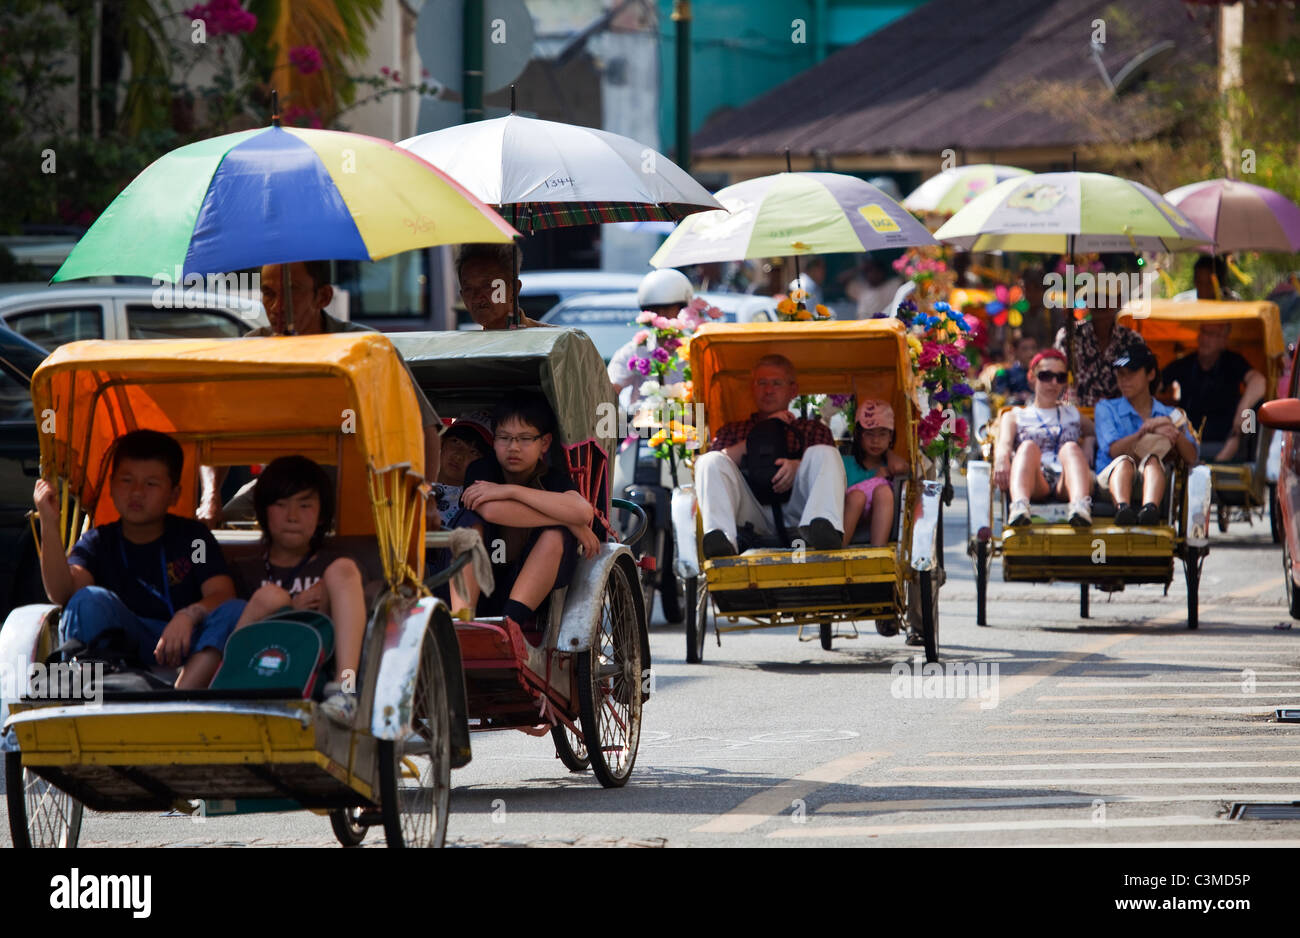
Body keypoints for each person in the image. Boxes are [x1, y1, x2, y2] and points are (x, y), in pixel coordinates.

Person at [198, 260, 444, 528]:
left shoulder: (368, 350)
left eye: (292, 291)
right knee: (219, 535)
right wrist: (209, 497)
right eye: (269, 293)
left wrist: (425, 494)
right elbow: (212, 430)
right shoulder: (250, 354)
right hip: (280, 491)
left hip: (361, 489)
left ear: (323, 296)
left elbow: (424, 430)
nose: (278, 306)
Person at [33, 430, 244, 689]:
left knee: (235, 611)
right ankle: (85, 693)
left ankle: (181, 697)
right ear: (111, 486)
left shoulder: (194, 540)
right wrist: (49, 525)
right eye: (127, 480)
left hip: (187, 647)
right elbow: (62, 592)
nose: (136, 493)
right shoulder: (99, 543)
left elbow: (221, 593)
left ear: (174, 494)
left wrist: (188, 616)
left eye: (151, 484)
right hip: (122, 654)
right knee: (86, 601)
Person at [449, 392, 603, 645]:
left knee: (555, 534)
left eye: (524, 439)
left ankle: (511, 626)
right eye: (504, 438)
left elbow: (583, 512)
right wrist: (566, 519)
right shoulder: (482, 469)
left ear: (544, 443)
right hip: (483, 577)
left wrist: (509, 490)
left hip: (533, 588)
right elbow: (489, 511)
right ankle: (462, 623)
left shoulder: (551, 478)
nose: (513, 448)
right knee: (469, 523)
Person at [229, 456, 366, 724]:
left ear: (322, 514)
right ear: (263, 511)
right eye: (281, 505)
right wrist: (291, 607)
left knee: (343, 570)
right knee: (269, 597)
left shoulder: (336, 567)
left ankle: (345, 690)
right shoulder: (242, 569)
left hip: (321, 675)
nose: (292, 516)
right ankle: (227, 685)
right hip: (255, 671)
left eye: (304, 505)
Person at [694, 354, 846, 557]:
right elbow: (716, 467)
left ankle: (824, 527)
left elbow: (828, 469)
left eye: (776, 383)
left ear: (793, 390)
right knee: (709, 460)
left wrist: (797, 466)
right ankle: (721, 538)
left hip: (799, 513)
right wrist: (763, 432)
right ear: (752, 388)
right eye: (762, 383)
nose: (768, 390)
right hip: (751, 515)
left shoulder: (810, 429)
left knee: (825, 452)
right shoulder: (733, 430)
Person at [1095, 344, 1198, 525]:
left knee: (1152, 461)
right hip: (1109, 479)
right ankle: (1122, 509)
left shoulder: (1171, 413)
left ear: (1150, 374)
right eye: (1120, 374)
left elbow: (1191, 457)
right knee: (1124, 462)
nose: (1124, 380)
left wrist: (1172, 430)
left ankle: (1150, 510)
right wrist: (1148, 429)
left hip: (1154, 479)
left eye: (1132, 373)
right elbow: (1115, 451)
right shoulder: (1105, 408)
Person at [993, 349, 1096, 527]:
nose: (1053, 383)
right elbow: (1004, 444)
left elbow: (1092, 432)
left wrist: (1088, 443)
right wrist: (1001, 459)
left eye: (1060, 377)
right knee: (1027, 447)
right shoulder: (1015, 415)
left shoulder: (1073, 413)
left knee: (1071, 447)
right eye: (1046, 376)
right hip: (1035, 478)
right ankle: (1019, 506)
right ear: (1032, 377)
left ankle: (1080, 506)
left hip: (1067, 477)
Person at [1161, 322, 1267, 462]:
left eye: (1211, 334)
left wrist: (1243, 407)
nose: (1205, 338)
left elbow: (1259, 381)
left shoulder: (1233, 362)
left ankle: (1233, 463)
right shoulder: (1185, 364)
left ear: (1224, 341)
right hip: (1188, 441)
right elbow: (1154, 385)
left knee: (1253, 411)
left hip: (1228, 440)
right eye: (1203, 333)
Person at [1054, 254, 1146, 406]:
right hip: (1078, 416)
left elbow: (1141, 383)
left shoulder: (1132, 340)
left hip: (1119, 419)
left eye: (1106, 297)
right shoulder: (1068, 336)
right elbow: (1056, 377)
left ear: (1117, 301)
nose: (1100, 303)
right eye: (1095, 297)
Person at [608, 268, 693, 407]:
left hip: (691, 425)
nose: (661, 315)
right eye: (655, 310)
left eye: (667, 309)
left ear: (682, 309)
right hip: (644, 427)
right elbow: (608, 390)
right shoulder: (635, 350)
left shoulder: (696, 349)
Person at [841, 400, 909, 547]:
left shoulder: (890, 465)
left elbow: (899, 467)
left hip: (876, 519)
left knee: (884, 491)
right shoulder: (845, 462)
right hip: (847, 516)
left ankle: (879, 552)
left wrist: (888, 452)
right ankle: (837, 551)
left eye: (883, 434)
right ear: (859, 435)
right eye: (869, 434)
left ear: (891, 436)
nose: (876, 441)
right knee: (857, 496)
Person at [455, 242, 544, 329]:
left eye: (487, 286)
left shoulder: (549, 340)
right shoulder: (468, 343)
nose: (476, 298)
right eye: (468, 289)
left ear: (514, 289)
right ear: (462, 295)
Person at [431, 413, 493, 526]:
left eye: (473, 452)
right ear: (442, 441)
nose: (459, 456)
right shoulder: (413, 483)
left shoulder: (475, 504)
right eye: (456, 442)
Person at [992, 334, 1038, 404]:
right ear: (1015, 351)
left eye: (1033, 348)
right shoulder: (1002, 372)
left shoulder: (1043, 374)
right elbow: (1001, 398)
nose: (1030, 353)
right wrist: (1019, 397)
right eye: (1024, 349)